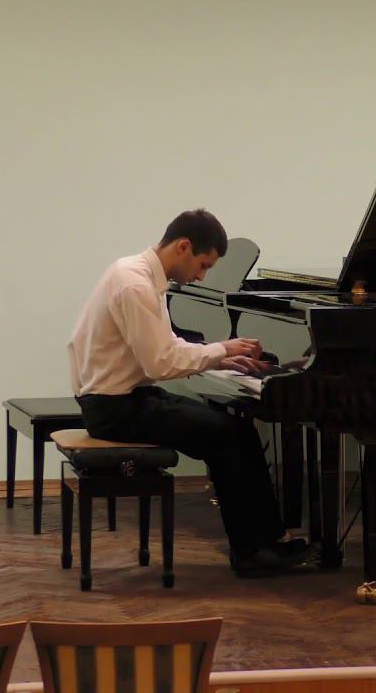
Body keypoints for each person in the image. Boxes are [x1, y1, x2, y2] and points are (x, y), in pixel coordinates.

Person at [67, 208, 308, 576]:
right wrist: (222, 349)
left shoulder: (136, 273)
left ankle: (269, 540)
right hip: (113, 409)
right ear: (183, 247)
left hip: (124, 399)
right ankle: (250, 552)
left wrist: (218, 358)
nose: (201, 276)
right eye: (203, 265)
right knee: (226, 434)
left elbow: (165, 346)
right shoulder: (135, 285)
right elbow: (160, 364)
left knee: (237, 429)